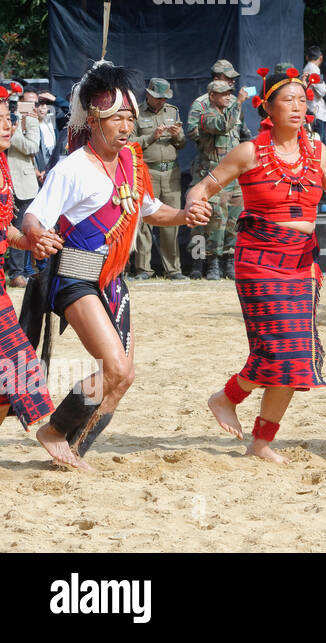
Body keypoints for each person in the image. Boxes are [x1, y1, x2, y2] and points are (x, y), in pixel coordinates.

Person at [23, 62, 198, 467]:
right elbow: (34, 217)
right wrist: (36, 234)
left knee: (123, 377)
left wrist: (184, 216)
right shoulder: (72, 168)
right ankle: (52, 430)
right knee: (114, 366)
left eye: (130, 117)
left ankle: (71, 450)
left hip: (114, 282)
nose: (125, 126)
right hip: (77, 277)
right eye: (116, 117)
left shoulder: (133, 164)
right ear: (94, 119)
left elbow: (150, 211)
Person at [190, 67, 326, 463]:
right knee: (277, 349)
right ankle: (227, 398)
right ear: (267, 107)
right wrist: (194, 202)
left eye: (302, 99)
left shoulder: (318, 151)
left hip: (301, 261)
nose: (298, 106)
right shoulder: (248, 151)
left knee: (295, 355)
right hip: (259, 260)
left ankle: (260, 440)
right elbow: (202, 186)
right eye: (287, 99)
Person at [0, 83, 82, 469]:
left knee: (11, 373)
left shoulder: (3, 166)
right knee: (16, 363)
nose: (6, 124)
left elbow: (5, 231)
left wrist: (31, 243)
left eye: (8, 116)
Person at [187, 79, 246, 280]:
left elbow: (242, 135)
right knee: (215, 222)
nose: (228, 96)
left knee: (234, 220)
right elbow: (222, 126)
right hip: (215, 176)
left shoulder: (233, 114)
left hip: (235, 178)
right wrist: (238, 103)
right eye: (223, 93)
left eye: (230, 93)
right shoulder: (207, 116)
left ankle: (230, 261)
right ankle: (212, 263)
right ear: (212, 96)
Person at [130, 78, 186, 280]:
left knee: (172, 219)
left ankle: (173, 269)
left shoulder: (172, 111)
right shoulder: (136, 112)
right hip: (147, 172)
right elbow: (128, 142)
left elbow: (182, 143)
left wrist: (178, 136)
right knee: (145, 221)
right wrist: (151, 136)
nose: (162, 101)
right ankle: (143, 269)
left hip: (171, 173)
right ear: (149, 94)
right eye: (158, 98)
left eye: (164, 98)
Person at [5, 87, 41, 287]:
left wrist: (14, 132)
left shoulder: (31, 120)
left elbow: (32, 147)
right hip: (4, 179)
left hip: (23, 183)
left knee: (19, 229)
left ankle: (17, 274)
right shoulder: (5, 117)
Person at [302, 46, 326, 143]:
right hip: (316, 111)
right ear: (321, 58)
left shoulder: (306, 68)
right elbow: (322, 90)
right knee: (319, 143)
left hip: (312, 109)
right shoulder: (313, 69)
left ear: (307, 57)